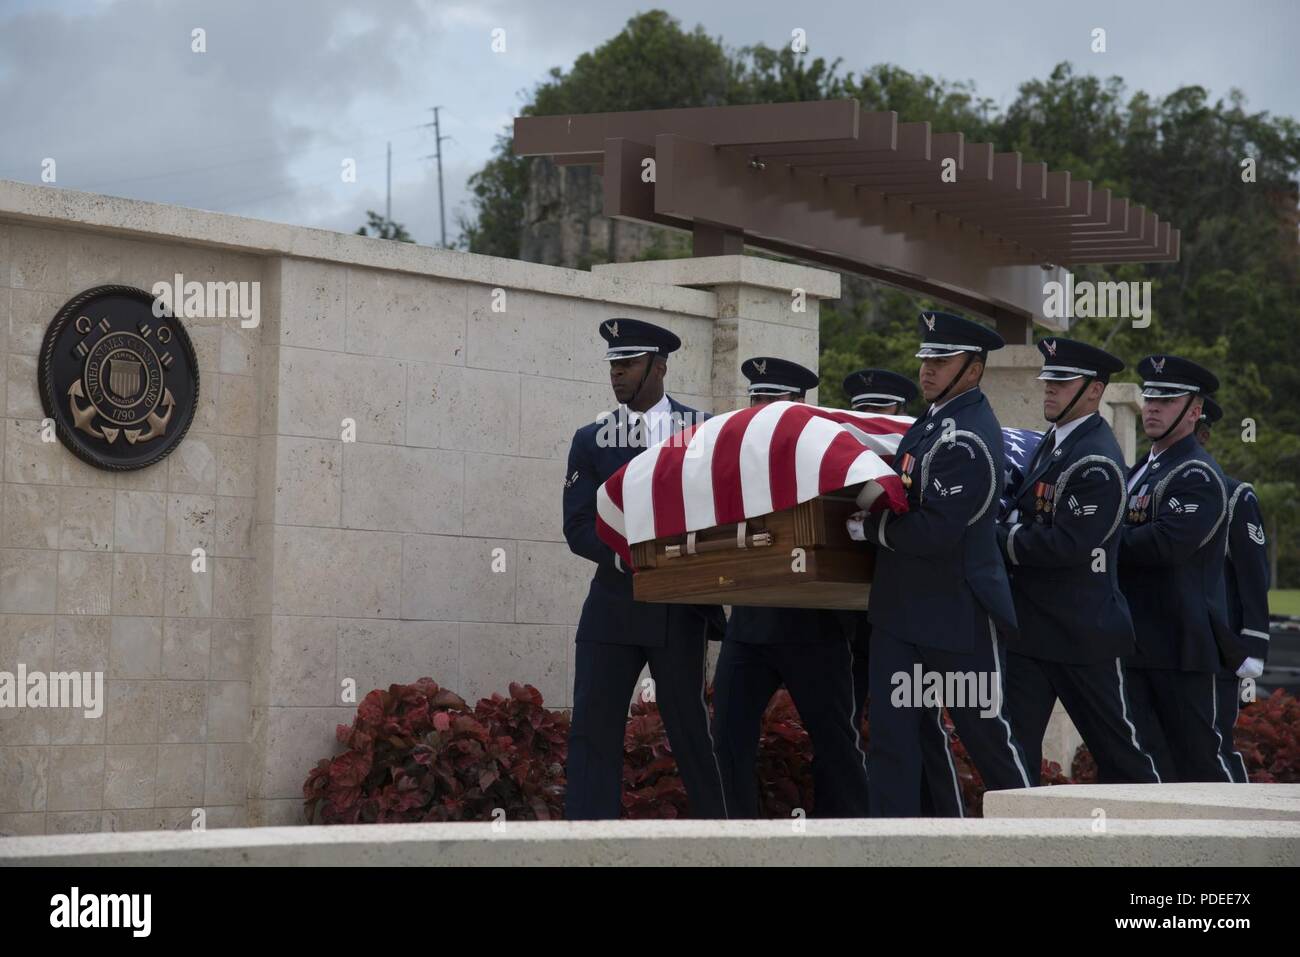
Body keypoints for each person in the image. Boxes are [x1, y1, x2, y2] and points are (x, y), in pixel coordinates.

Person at [851, 311, 1031, 817]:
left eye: (942, 360)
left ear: (973, 369)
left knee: (988, 737)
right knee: (893, 742)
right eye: (926, 359)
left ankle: (1044, 841)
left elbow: (936, 531)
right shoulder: (934, 423)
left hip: (956, 615)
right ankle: (897, 849)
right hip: (902, 613)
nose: (927, 370)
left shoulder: (967, 438)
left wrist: (870, 528)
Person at [562, 318, 728, 820]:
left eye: (628, 364)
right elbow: (578, 526)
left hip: (678, 609)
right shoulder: (590, 439)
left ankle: (719, 842)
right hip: (613, 605)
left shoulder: (703, 432)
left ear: (659, 366)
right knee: (593, 731)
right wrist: (628, 558)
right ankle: (586, 846)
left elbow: (723, 510)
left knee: (691, 735)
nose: (616, 375)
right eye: (613, 364)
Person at [712, 357, 872, 818]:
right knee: (727, 741)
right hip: (750, 625)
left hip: (813, 629)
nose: (761, 407)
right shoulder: (731, 460)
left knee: (835, 747)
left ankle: (849, 843)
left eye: (772, 399)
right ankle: (736, 844)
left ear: (798, 405)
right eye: (756, 397)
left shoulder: (826, 456)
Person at [997, 338, 1160, 784]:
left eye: (1062, 382)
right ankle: (1015, 844)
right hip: (1032, 630)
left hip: (1082, 634)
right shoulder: (1055, 441)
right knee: (1012, 755)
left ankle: (1161, 840)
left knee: (1122, 755)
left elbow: (1068, 546)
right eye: (1048, 380)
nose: (1049, 390)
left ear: (1094, 390)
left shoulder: (1096, 461)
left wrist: (1001, 535)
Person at [829, 368, 966, 817]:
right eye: (861, 411)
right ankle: (871, 829)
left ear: (898, 414)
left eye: (879, 410)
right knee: (868, 731)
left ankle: (948, 822)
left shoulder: (913, 454)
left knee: (923, 726)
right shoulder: (838, 457)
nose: (868, 418)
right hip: (854, 615)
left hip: (905, 610)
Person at [1119, 355, 1236, 782]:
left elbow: (1165, 544)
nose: (1152, 406)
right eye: (1150, 396)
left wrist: (1099, 540)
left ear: (1193, 411)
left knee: (1201, 762)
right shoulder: (1144, 470)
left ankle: (1233, 848)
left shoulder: (1198, 473)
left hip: (1181, 645)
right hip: (1140, 643)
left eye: (1166, 400)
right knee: (1149, 763)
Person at [1195, 396, 1269, 782]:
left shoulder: (1234, 495)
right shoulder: (1145, 481)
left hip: (1221, 645)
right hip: (1172, 644)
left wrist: (1252, 646)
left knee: (1212, 747)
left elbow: (1253, 575)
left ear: (1204, 435)